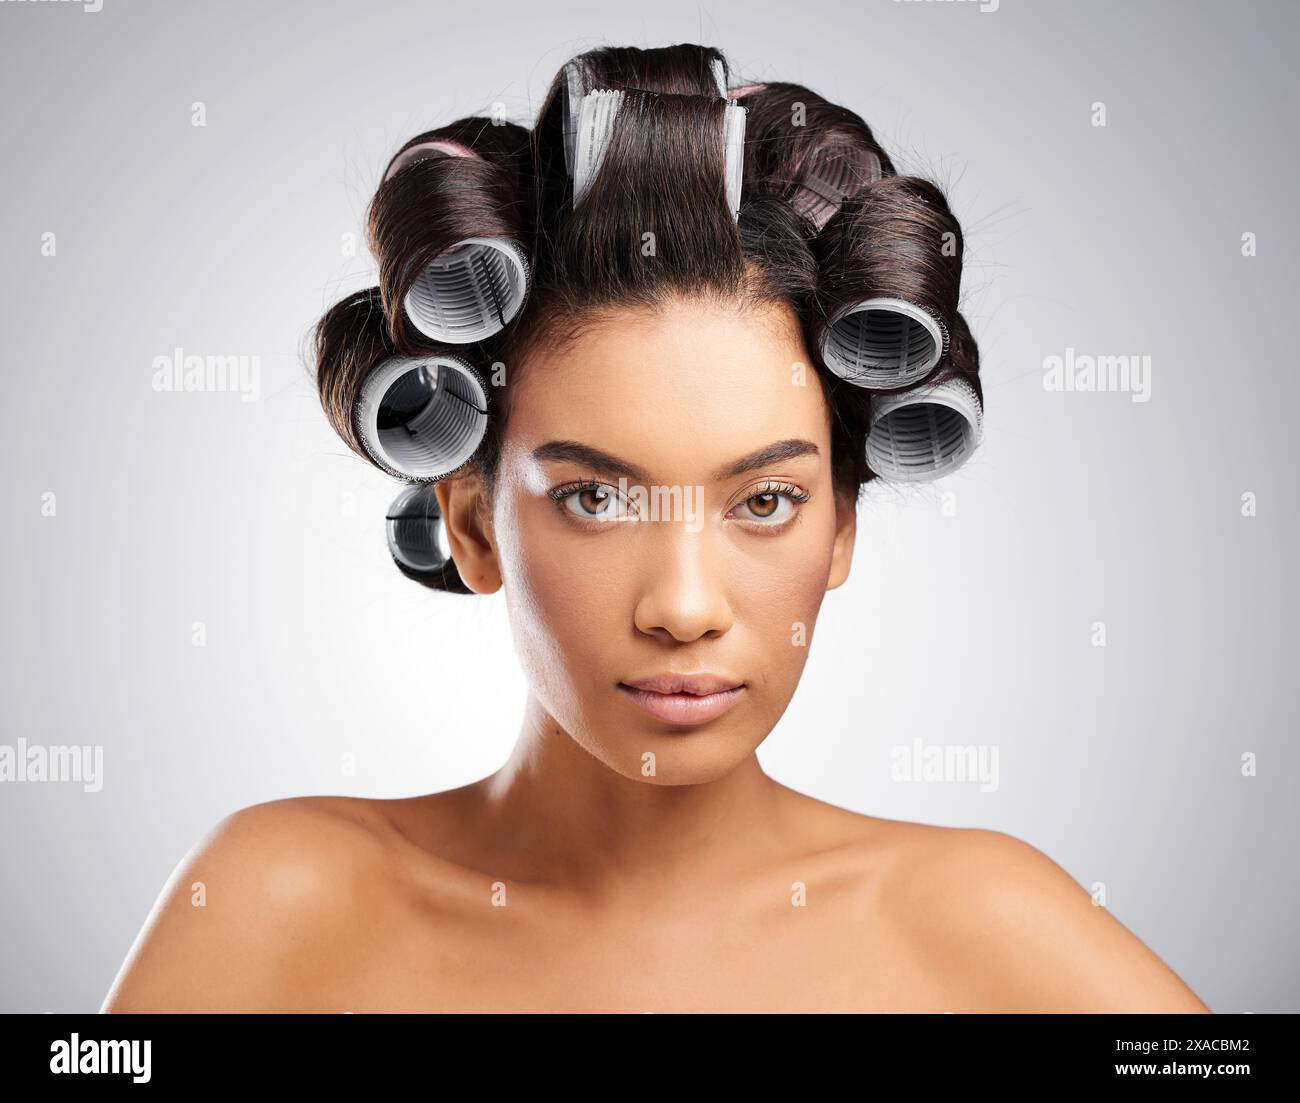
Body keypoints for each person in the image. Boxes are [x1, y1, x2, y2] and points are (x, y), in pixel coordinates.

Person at [102, 44, 1210, 1013]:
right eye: (596, 497)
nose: (684, 606)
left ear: (840, 530)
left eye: (764, 501)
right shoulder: (278, 901)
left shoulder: (979, 920)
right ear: (475, 523)